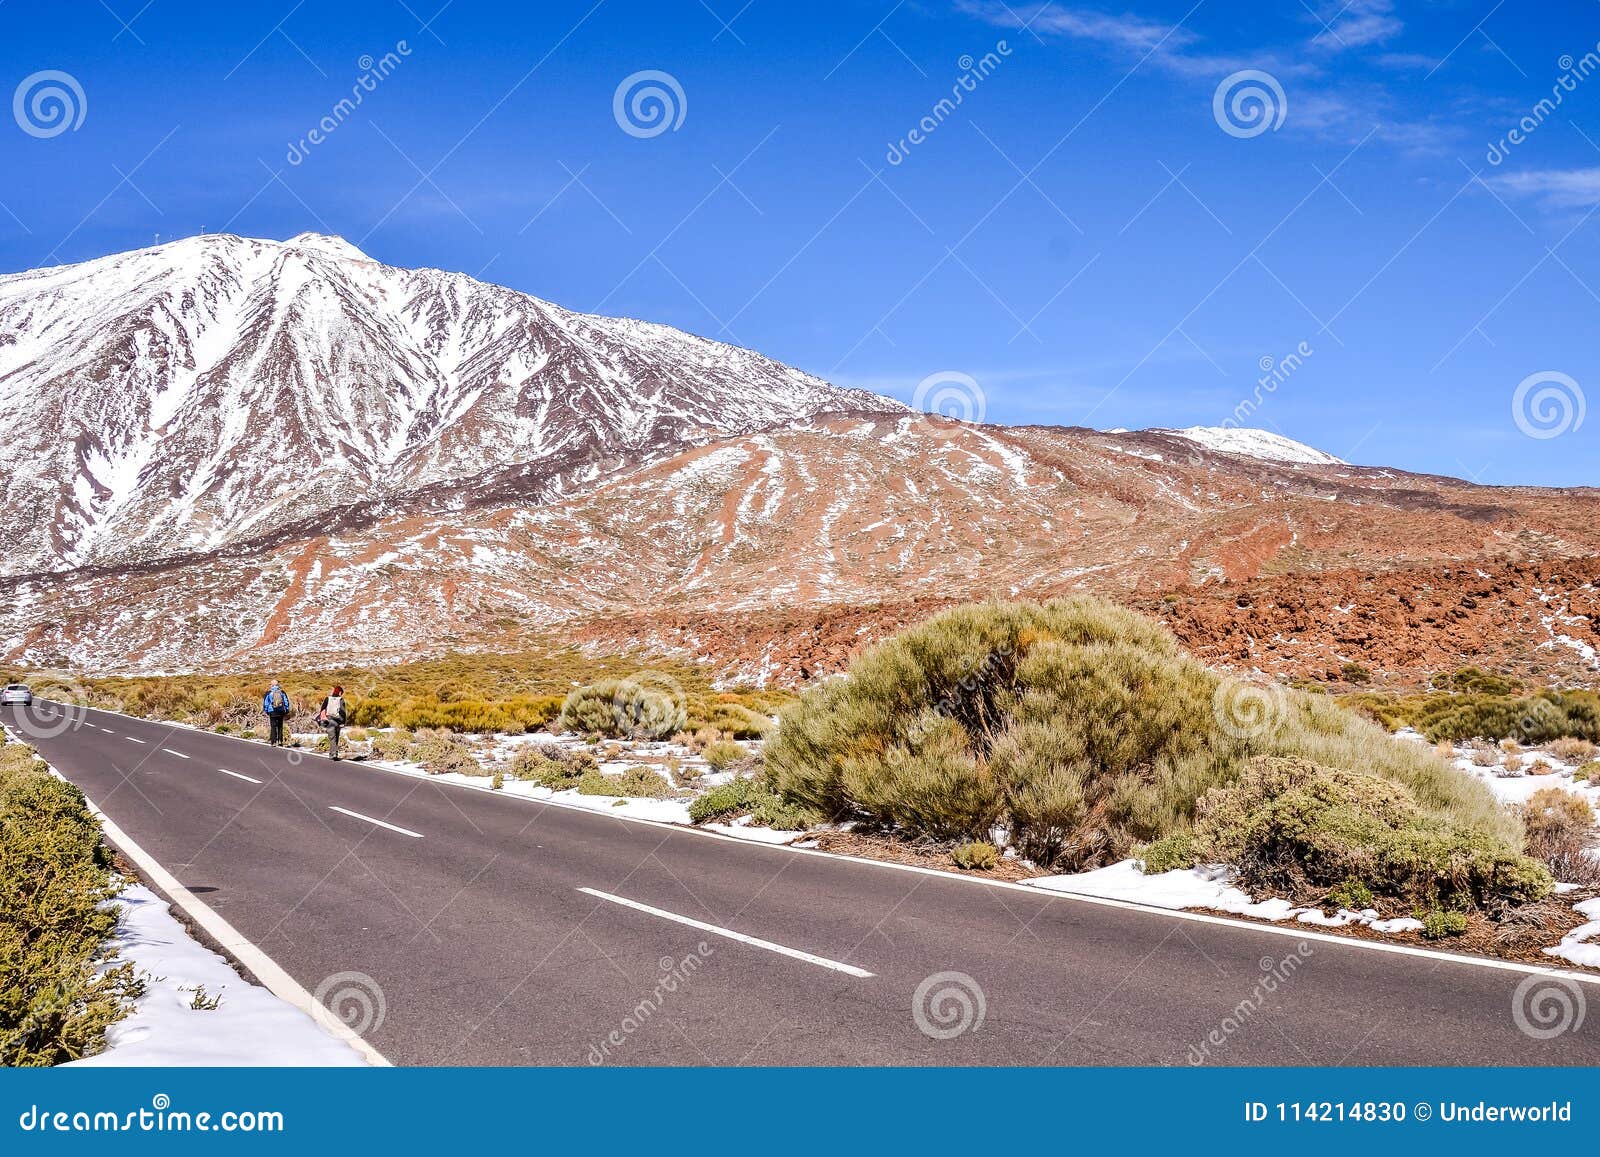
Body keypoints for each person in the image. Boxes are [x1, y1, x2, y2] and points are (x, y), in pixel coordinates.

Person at [316, 684, 349, 761]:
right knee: (336, 737)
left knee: (332, 738)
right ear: (340, 692)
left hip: (328, 720)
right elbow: (343, 712)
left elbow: (322, 709)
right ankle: (334, 754)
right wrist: (343, 722)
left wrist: (323, 719)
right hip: (337, 721)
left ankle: (332, 754)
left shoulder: (328, 698)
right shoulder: (341, 700)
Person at [262, 680, 291, 747]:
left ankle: (273, 742)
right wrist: (286, 710)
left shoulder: (269, 693)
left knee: (273, 727)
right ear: (278, 685)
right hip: (281, 711)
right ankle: (280, 741)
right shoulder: (282, 692)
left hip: (272, 711)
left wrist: (267, 711)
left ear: (271, 685)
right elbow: (286, 702)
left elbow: (266, 703)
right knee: (280, 726)